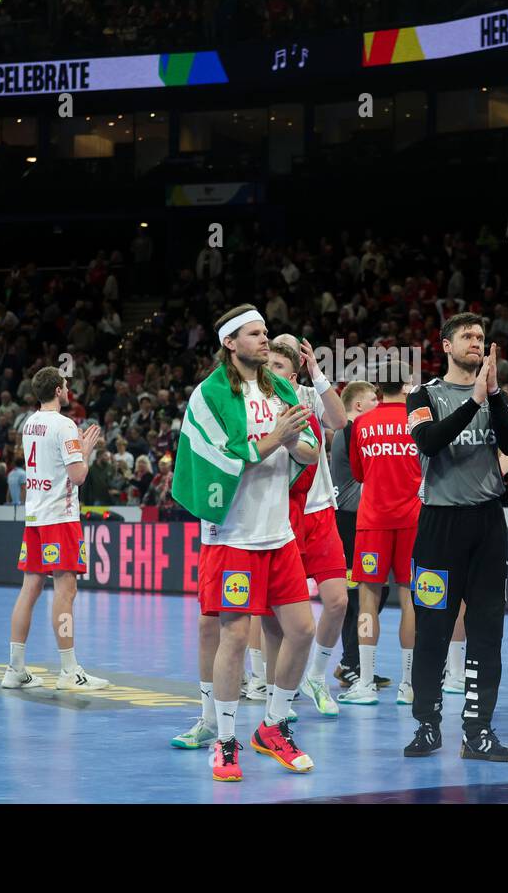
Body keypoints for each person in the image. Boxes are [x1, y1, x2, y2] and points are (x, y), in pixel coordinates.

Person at [170, 305, 320, 781]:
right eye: (255, 334)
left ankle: (272, 727)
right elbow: (212, 456)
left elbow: (312, 446)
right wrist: (275, 439)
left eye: (266, 332)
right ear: (231, 343)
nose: (265, 339)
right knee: (233, 637)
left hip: (278, 534)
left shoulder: (280, 387)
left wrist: (294, 443)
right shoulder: (209, 394)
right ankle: (226, 740)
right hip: (232, 536)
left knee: (302, 630)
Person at [403, 312, 508, 761]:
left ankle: (478, 731)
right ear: (447, 346)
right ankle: (427, 725)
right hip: (439, 525)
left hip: (487, 525)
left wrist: (490, 397)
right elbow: (429, 442)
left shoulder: (498, 396)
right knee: (433, 629)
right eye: (468, 336)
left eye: (481, 336)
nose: (477, 342)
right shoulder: (424, 394)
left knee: (487, 630)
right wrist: (473, 402)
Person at [2, 366, 108, 694]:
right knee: (66, 591)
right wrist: (86, 451)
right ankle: (69, 670)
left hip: (35, 518)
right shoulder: (65, 425)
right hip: (60, 518)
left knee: (30, 589)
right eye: (66, 386)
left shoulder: (29, 423)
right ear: (59, 390)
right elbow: (77, 476)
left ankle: (15, 668)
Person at [267, 334, 351, 718]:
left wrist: (318, 374)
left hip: (319, 511)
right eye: (268, 364)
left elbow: (339, 421)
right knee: (280, 614)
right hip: (280, 512)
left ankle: (315, 676)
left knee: (338, 601)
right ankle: (273, 688)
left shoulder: (308, 395)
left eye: (280, 364)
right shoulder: (260, 404)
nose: (272, 370)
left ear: (297, 369)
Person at [340, 369, 422, 706]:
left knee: (367, 600)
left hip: (372, 520)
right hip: (413, 520)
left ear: (378, 388)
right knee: (410, 599)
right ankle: (408, 684)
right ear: (406, 385)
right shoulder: (418, 421)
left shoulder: (362, 423)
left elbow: (358, 473)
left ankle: (366, 683)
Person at [328, 381, 386, 688]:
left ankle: (353, 661)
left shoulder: (349, 431)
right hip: (350, 522)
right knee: (358, 594)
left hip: (353, 519)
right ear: (359, 406)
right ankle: (350, 662)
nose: (379, 405)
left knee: (374, 590)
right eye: (373, 400)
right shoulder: (352, 431)